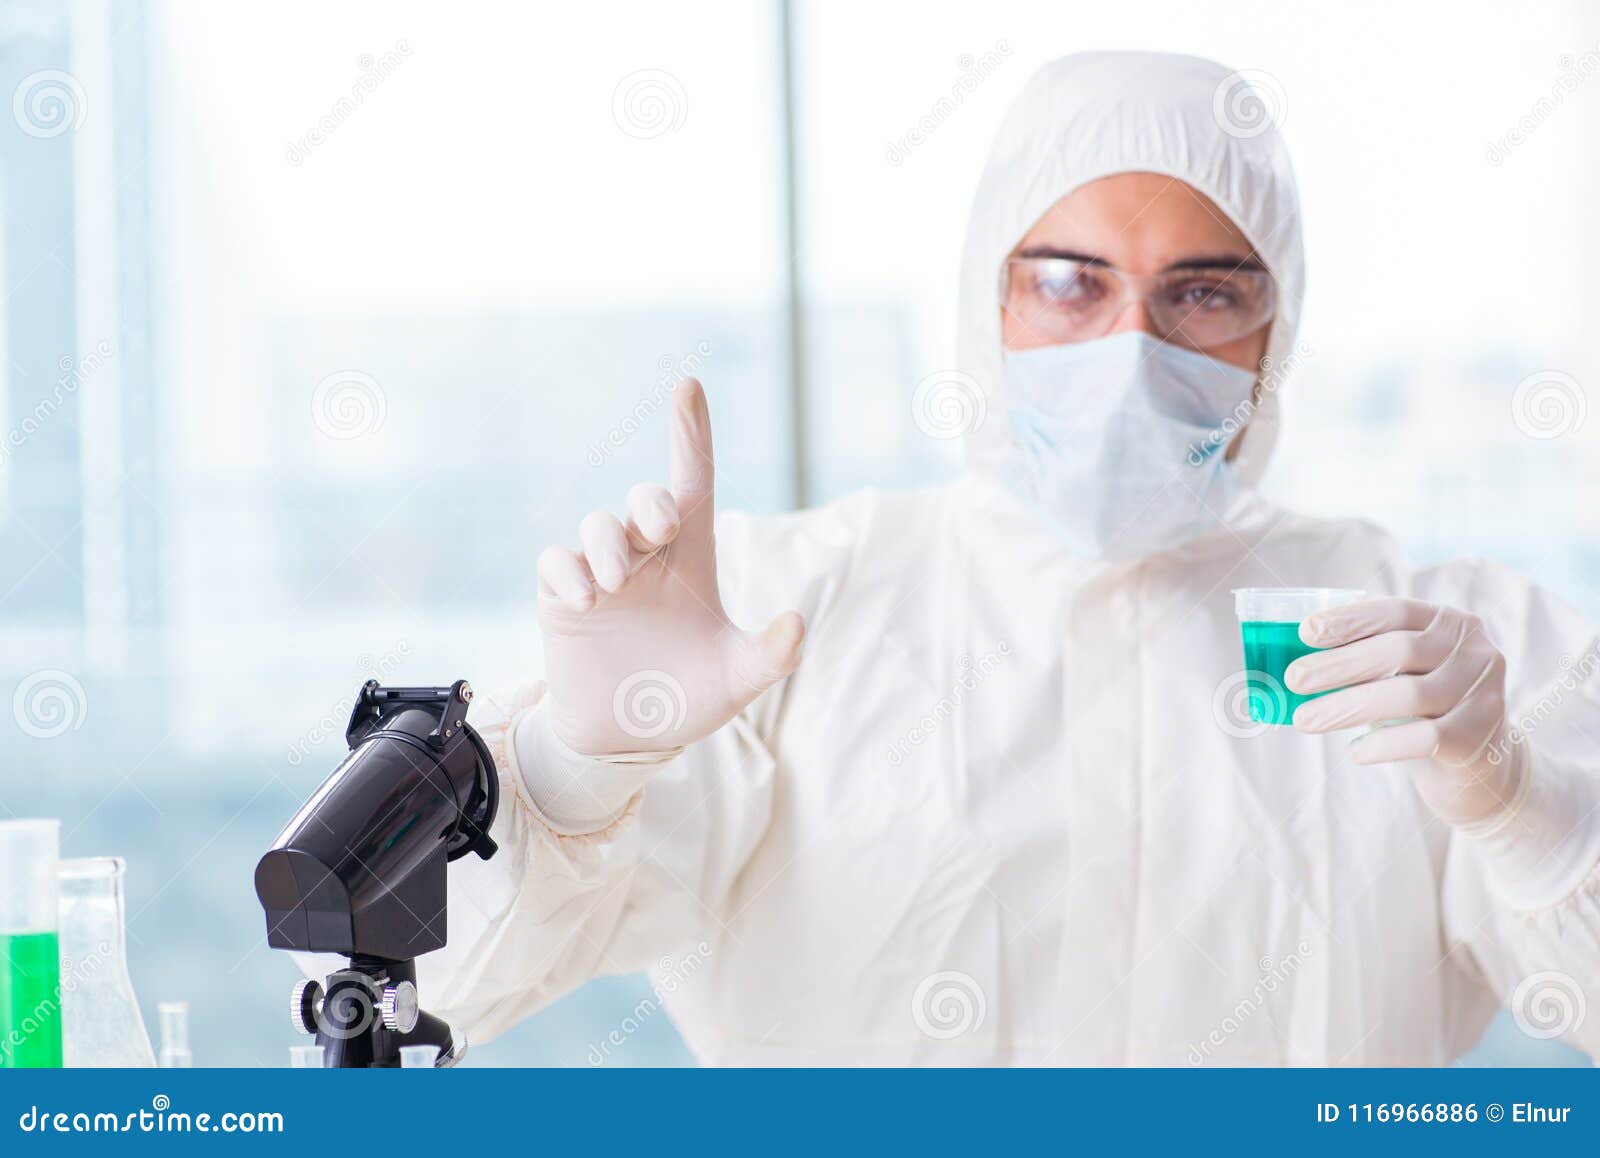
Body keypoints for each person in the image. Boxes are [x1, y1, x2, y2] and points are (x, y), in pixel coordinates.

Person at [427, 51, 1600, 1064]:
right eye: (1066, 283)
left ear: (1273, 327)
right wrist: (578, 765)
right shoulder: (776, 614)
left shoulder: (1441, 652)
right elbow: (437, 993)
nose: (1129, 350)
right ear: (986, 300)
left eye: (1201, 293)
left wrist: (1520, 811)